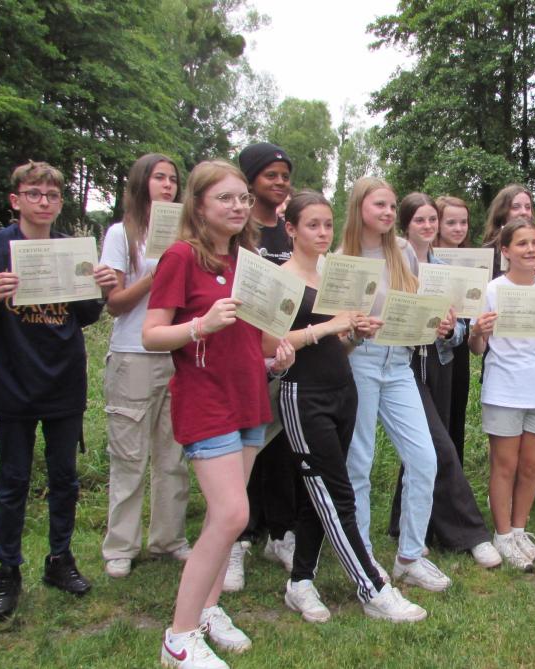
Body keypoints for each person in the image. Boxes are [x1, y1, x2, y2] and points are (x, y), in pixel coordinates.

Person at [143, 160, 292, 667]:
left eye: (242, 199)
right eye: (224, 198)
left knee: (221, 517)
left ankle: (207, 612)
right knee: (232, 513)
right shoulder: (180, 257)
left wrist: (278, 349)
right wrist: (199, 326)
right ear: (199, 204)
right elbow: (152, 334)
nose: (237, 207)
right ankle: (178, 638)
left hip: (249, 394)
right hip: (205, 398)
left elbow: (259, 333)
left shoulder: (249, 260)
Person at [0, 161, 118, 621]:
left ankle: (60, 559)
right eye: (34, 194)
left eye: (52, 196)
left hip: (63, 378)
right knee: (13, 481)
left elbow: (85, 316)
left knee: (64, 479)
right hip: (12, 379)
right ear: (15, 199)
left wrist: (100, 290)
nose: (43, 203)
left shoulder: (71, 248)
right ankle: (7, 571)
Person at [275, 191, 427, 624]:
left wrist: (357, 332)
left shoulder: (334, 274)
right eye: (311, 226)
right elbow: (271, 344)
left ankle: (301, 581)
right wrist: (331, 326)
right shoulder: (283, 278)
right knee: (337, 495)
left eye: (326, 225)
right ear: (291, 229)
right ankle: (375, 589)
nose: (322, 233)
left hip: (343, 389)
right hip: (304, 396)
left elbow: (339, 346)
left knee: (316, 496)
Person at [341, 177, 454, 592]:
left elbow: (415, 308)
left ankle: (409, 556)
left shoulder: (403, 252)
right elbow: (336, 328)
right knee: (359, 463)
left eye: (391, 206)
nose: (388, 213)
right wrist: (354, 328)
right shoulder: (342, 257)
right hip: (361, 363)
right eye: (380, 206)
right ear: (359, 209)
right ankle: (364, 555)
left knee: (425, 458)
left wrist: (438, 323)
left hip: (401, 362)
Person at [386, 193, 500, 569]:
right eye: (420, 220)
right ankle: (470, 534)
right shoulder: (393, 263)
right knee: (438, 447)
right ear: (406, 224)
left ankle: (406, 523)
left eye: (432, 219)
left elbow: (462, 325)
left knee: (434, 441)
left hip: (441, 361)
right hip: (402, 366)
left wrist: (450, 330)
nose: (429, 226)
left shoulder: (442, 266)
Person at [99, 154, 191, 579]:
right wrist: (154, 276)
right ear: (141, 183)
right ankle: (121, 546)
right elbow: (114, 304)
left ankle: (168, 538)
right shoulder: (122, 234)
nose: (168, 186)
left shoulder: (185, 237)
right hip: (133, 355)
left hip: (176, 356)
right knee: (129, 456)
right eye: (159, 178)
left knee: (173, 456)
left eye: (173, 179)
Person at [470, 218, 535, 571]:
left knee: (531, 467)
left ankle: (519, 529)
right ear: (505, 251)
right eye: (521, 244)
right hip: (503, 389)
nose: (531, 249)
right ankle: (501, 535)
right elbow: (476, 348)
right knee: (505, 466)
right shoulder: (491, 290)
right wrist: (478, 332)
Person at [223, 142, 298, 592]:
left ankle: (280, 534)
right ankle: (238, 539)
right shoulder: (239, 234)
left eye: (285, 175)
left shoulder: (288, 234)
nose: (280, 182)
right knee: (243, 452)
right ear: (250, 181)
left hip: (288, 357)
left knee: (283, 451)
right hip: (245, 359)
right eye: (271, 175)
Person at [433, 196, 473, 461]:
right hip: (431, 350)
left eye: (464, 222)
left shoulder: (474, 259)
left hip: (460, 344)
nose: (459, 228)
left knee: (456, 413)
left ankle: (455, 482)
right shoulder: (424, 258)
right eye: (451, 222)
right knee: (434, 422)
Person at [482, 184, 535, 278]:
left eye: (528, 207)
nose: (524, 212)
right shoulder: (489, 252)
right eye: (516, 207)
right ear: (502, 212)